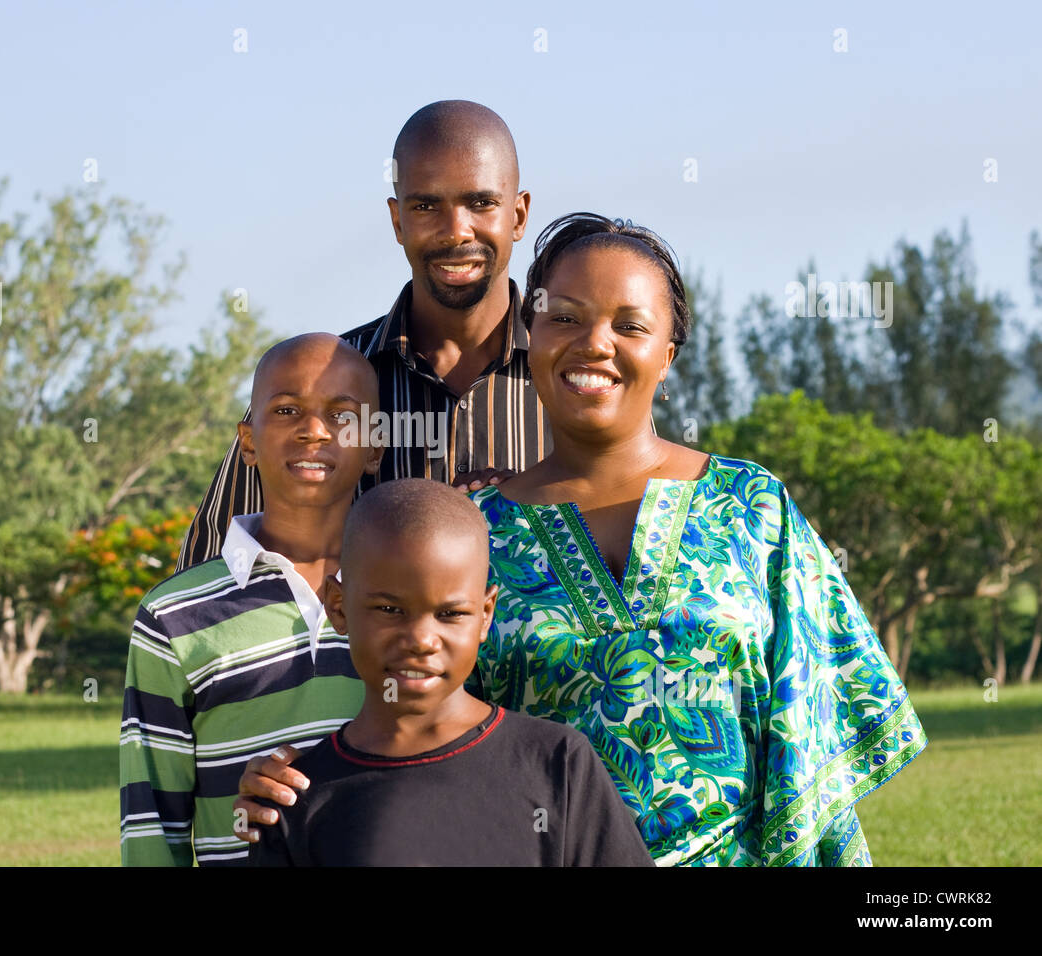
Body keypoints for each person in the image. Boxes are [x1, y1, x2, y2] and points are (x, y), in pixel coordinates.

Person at [237, 213, 928, 867]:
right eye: (564, 317)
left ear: (667, 355)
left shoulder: (755, 511)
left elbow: (817, 740)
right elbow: (405, 720)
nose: (594, 342)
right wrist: (298, 782)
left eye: (630, 325)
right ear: (530, 335)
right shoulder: (474, 529)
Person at [176, 100, 546, 570]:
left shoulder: (581, 382)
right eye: (427, 205)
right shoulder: (312, 386)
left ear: (517, 215)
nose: (457, 231)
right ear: (398, 221)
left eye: (480, 203)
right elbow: (210, 584)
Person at [249, 478, 655, 866]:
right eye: (390, 610)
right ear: (338, 607)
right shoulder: (296, 794)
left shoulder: (557, 764)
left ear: (485, 615)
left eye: (450, 614)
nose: (422, 639)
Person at [119, 333, 382, 865]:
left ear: (375, 444)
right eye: (287, 410)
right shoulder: (172, 616)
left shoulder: (414, 598)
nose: (313, 430)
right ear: (248, 440)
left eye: (341, 415)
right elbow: (153, 826)